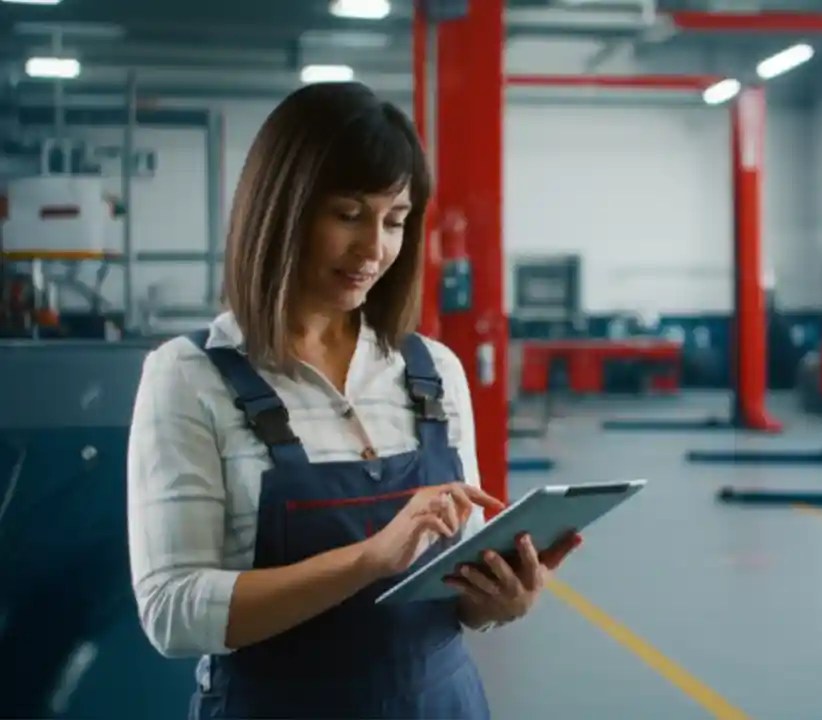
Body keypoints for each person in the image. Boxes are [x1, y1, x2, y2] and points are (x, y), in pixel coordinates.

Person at [126, 82, 581, 719]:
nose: (374, 249)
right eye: (347, 214)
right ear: (282, 209)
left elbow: (462, 576)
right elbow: (172, 613)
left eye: (394, 221)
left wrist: (500, 601)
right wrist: (369, 559)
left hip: (443, 702)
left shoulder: (434, 372)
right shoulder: (189, 377)